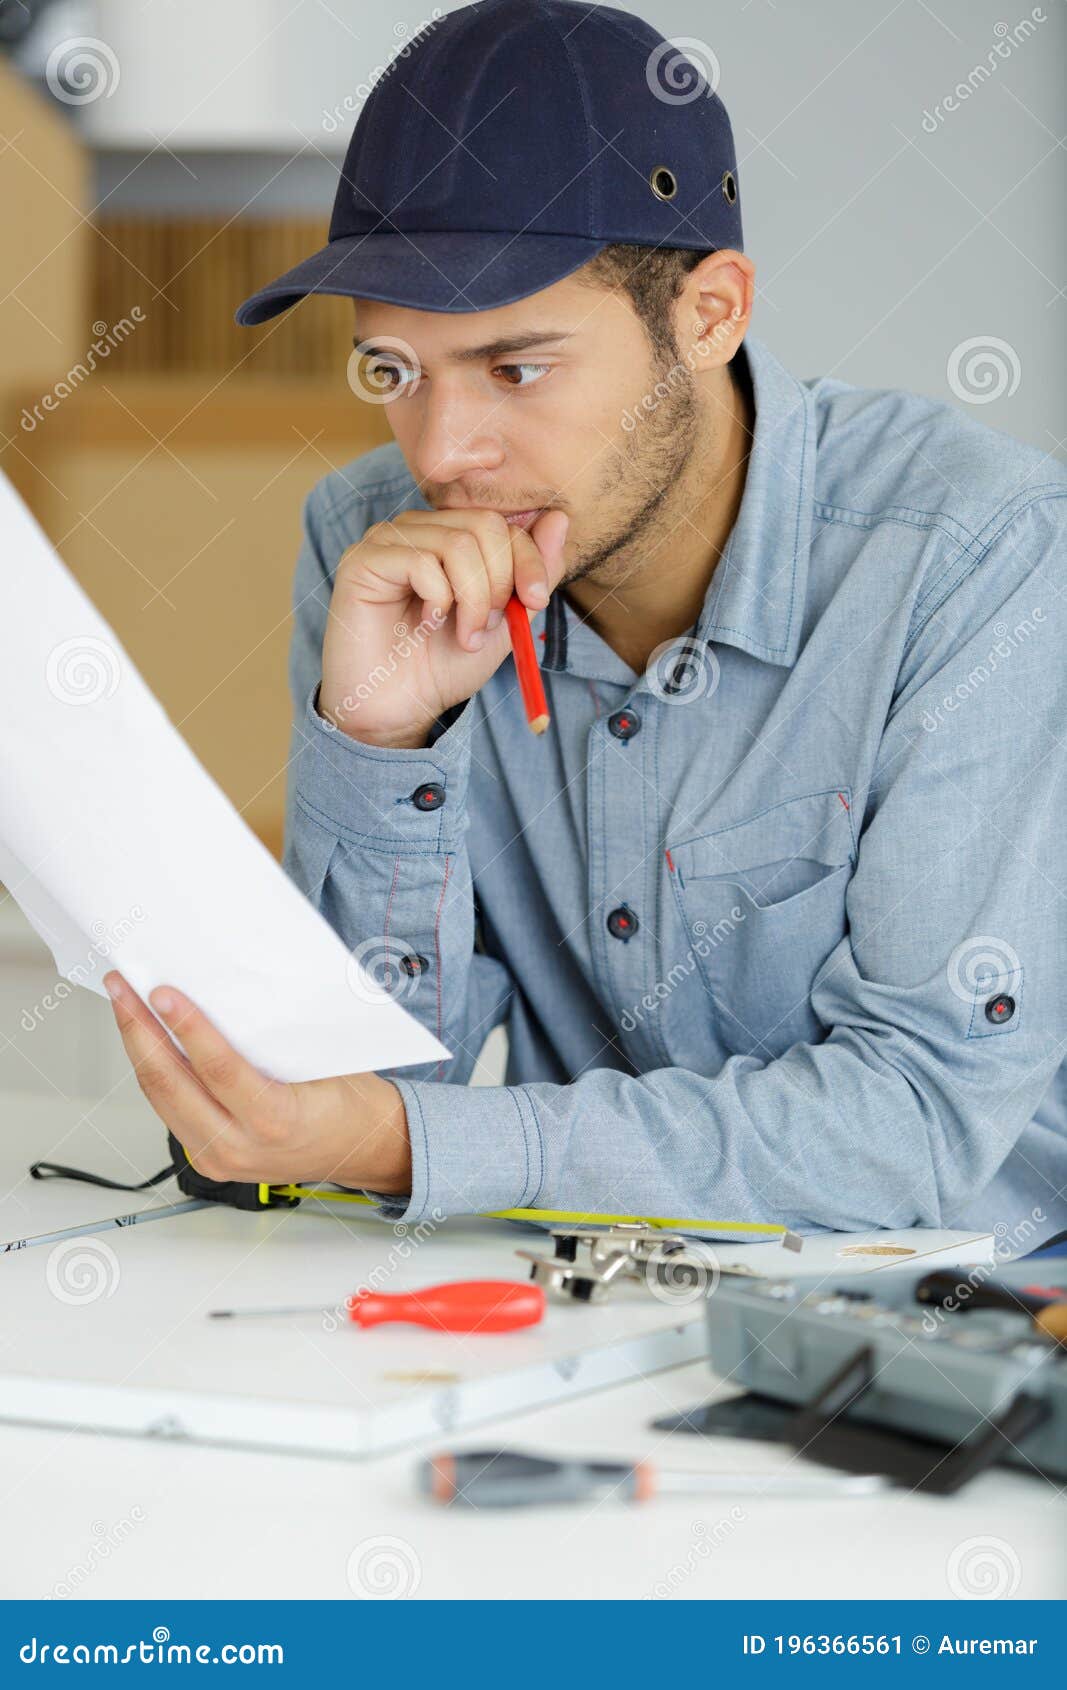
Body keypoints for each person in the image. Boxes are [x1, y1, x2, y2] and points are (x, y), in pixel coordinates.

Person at [106, 0, 1067, 1241]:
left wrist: (408, 1144)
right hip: (597, 1306)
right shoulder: (374, 547)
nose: (444, 452)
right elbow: (349, 1107)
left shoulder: (977, 556)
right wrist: (382, 744)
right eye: (394, 370)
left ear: (709, 313)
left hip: (979, 1324)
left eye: (515, 368)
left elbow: (919, 1129)